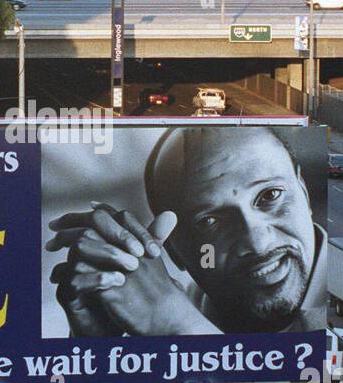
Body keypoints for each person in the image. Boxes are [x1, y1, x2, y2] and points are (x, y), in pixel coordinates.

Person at [46, 127, 327, 337]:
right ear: (174, 250)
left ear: (303, 191)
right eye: (209, 222)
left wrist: (175, 325)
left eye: (270, 195)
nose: (257, 242)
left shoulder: (342, 313)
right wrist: (96, 349)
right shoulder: (166, 305)